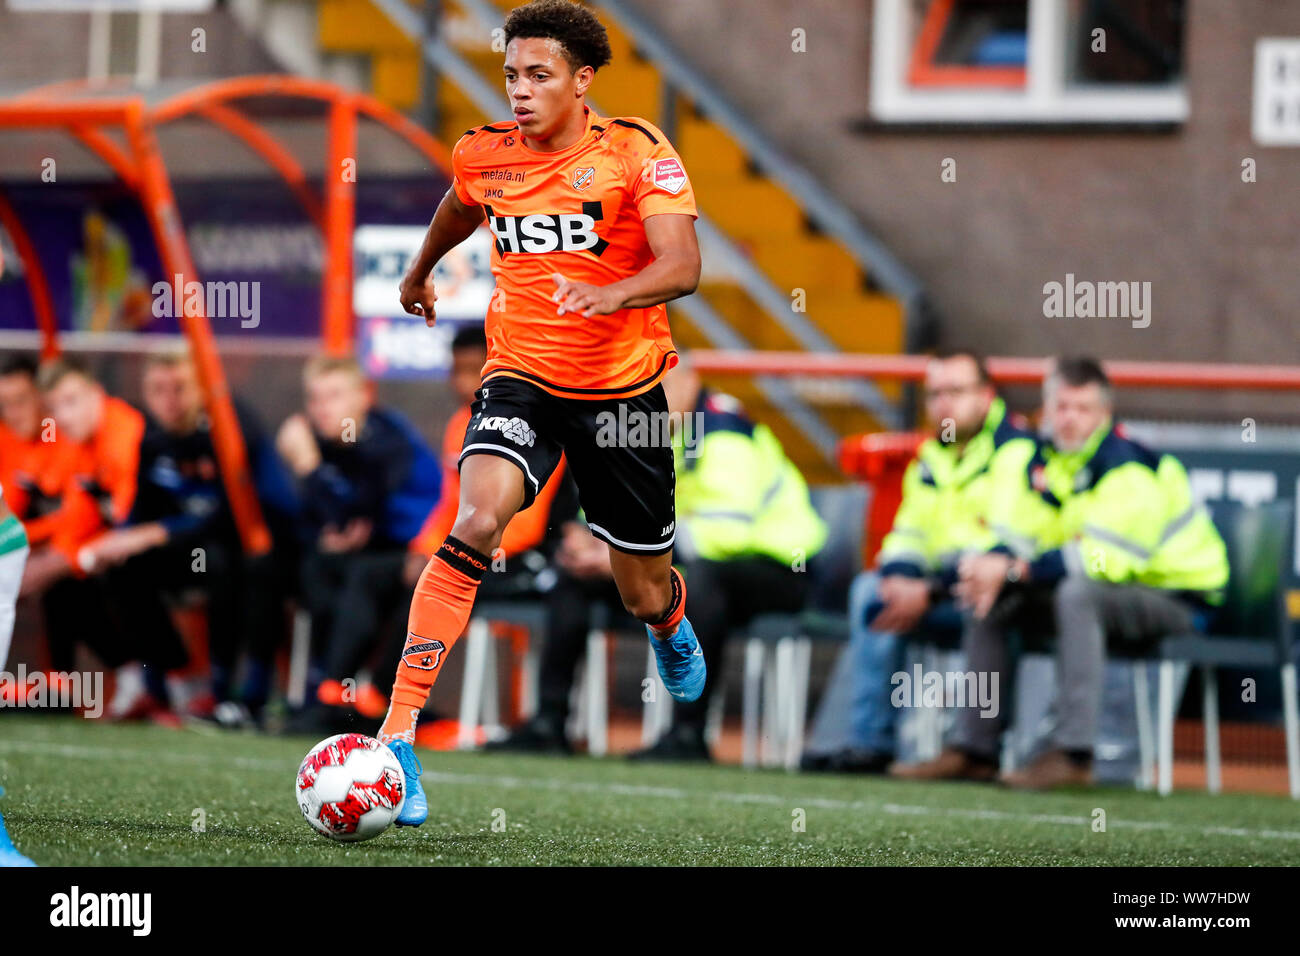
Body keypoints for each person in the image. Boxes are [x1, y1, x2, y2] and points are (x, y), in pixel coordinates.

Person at [377, 0, 704, 826]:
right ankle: (399, 739)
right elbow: (461, 204)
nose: (520, 91)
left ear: (582, 79)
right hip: (521, 378)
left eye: (539, 75)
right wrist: (420, 274)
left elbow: (684, 264)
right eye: (511, 75)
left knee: (640, 590)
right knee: (477, 520)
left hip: (623, 395)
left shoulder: (637, 152)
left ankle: (669, 620)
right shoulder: (486, 155)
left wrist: (611, 292)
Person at [893, 357, 1229, 788]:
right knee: (995, 594)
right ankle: (975, 749)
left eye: (1083, 408)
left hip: (1181, 600)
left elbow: (1105, 562)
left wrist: (1014, 569)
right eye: (1062, 407)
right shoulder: (1045, 464)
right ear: (1045, 411)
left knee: (1077, 593)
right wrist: (990, 569)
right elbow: (1018, 536)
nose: (1069, 418)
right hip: (1104, 591)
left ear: (1104, 415)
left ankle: (1074, 754)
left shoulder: (1130, 466)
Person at [803, 350, 1046, 774]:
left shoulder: (1018, 451)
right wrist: (900, 578)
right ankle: (870, 744)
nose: (943, 404)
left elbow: (1004, 547)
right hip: (937, 591)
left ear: (986, 396)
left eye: (956, 391)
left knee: (981, 591)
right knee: (869, 590)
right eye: (934, 394)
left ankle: (970, 751)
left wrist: (928, 591)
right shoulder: (932, 458)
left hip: (1000, 591)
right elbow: (907, 536)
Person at [78, 351, 296, 727]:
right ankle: (164, 682)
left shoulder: (230, 424)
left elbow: (236, 511)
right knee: (120, 567)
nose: (169, 400)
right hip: (187, 551)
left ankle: (230, 692)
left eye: (179, 388)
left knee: (226, 560)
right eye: (157, 390)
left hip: (255, 549)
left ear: (200, 388)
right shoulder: (154, 437)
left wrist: (159, 531)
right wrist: (115, 541)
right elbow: (142, 511)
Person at [630, 359, 827, 761]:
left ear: (689, 381)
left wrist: (636, 550)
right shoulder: (645, 430)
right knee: (575, 576)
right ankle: (548, 721)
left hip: (779, 567)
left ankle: (688, 734)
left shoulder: (724, 428)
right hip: (694, 561)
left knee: (699, 583)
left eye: (656, 388)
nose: (646, 401)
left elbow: (726, 534)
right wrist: (595, 545)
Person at [276, 355, 442, 720]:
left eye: (334, 396)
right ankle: (315, 692)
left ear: (364, 396)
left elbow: (355, 512)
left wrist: (307, 464)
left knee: (358, 574)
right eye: (314, 399)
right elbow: (321, 521)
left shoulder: (386, 438)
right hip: (373, 552)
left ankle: (341, 694)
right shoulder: (328, 442)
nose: (321, 409)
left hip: (421, 552)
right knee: (297, 566)